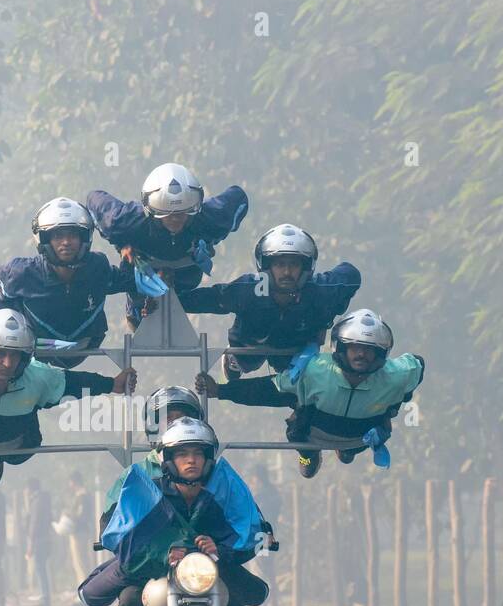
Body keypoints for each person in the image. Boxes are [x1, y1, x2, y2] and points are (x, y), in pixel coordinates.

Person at [79, 418, 273, 606]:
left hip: (204, 571)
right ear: (168, 459)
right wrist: (161, 552)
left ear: (209, 457)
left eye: (198, 453)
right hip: (151, 570)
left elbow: (248, 526)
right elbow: (122, 532)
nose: (192, 460)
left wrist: (219, 549)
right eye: (183, 454)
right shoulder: (143, 484)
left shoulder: (225, 483)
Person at [0, 308, 136, 487]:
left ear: (25, 357)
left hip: (15, 446)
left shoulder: (37, 377)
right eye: (0, 354)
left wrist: (112, 384)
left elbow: (74, 382)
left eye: (15, 355)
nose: (8, 364)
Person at [197, 309, 425, 478]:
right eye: (355, 347)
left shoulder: (396, 376)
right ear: (342, 348)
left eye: (369, 350)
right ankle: (309, 455)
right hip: (312, 435)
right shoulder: (315, 371)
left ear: (380, 354)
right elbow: (270, 390)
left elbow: (418, 365)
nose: (361, 355)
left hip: (359, 437)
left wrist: (399, 400)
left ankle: (348, 451)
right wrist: (222, 390)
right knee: (296, 425)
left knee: (372, 432)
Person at [178, 224, 362, 379]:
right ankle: (236, 361)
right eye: (280, 264)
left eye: (294, 265)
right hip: (249, 344)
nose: (287, 273)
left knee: (293, 375)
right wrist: (166, 299)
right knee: (247, 361)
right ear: (266, 266)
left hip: (294, 346)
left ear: (306, 267)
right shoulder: (248, 290)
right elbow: (210, 299)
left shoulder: (320, 291)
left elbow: (351, 274)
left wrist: (330, 313)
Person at [86, 163, 248, 329]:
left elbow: (239, 198)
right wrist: (120, 243)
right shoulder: (125, 221)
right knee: (141, 314)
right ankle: (138, 306)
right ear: (150, 210)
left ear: (195, 208)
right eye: (168, 214)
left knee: (176, 302)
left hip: (185, 279)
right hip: (140, 276)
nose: (175, 219)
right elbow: (93, 199)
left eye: (182, 212)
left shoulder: (211, 219)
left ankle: (171, 302)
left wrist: (211, 238)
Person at [0, 198, 138, 368]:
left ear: (84, 238)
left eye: (73, 235)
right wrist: (14, 324)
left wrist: (126, 249)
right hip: (38, 352)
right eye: (58, 236)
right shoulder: (22, 272)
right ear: (44, 239)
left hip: (85, 346)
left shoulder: (97, 267)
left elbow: (127, 281)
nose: (66, 242)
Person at [99, 385, 204, 530]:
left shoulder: (209, 470)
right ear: (153, 426)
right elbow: (111, 526)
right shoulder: (134, 476)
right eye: (168, 419)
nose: (176, 424)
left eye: (183, 418)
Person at [250, 465, 284, 606]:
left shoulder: (261, 496)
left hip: (260, 537)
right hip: (271, 535)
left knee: (261, 571)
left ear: (258, 477)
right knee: (270, 571)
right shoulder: (274, 493)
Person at [25, 477, 54, 606]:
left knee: (39, 567)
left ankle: (45, 596)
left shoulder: (37, 501)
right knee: (41, 566)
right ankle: (45, 595)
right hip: (46, 536)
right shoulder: (45, 499)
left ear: (30, 488)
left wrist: (30, 541)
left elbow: (34, 522)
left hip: (39, 538)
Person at [64, 471, 94, 594]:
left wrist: (68, 515)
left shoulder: (82, 496)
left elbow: (81, 515)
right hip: (79, 532)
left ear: (74, 482)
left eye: (70, 482)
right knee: (79, 562)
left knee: (80, 562)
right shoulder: (82, 495)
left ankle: (83, 591)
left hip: (79, 532)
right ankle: (83, 589)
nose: (69, 485)